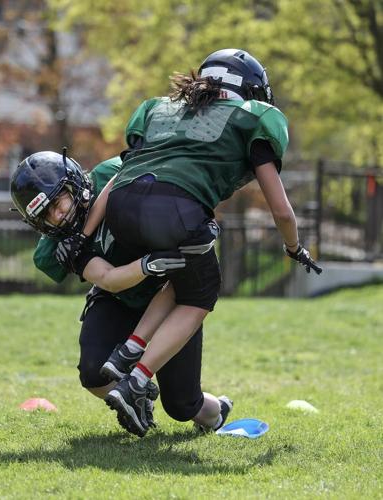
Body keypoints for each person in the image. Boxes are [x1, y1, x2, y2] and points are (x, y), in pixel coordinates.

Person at [76, 48, 322, 435]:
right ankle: (138, 377)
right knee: (201, 293)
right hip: (176, 211)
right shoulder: (253, 117)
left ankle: (129, 351)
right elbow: (282, 211)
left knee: (184, 274)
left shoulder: (159, 108)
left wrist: (85, 234)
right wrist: (294, 247)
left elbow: (119, 175)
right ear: (247, 89)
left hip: (122, 206)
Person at [10, 151, 233, 437]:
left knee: (182, 406)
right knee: (93, 372)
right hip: (118, 297)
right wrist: (146, 265)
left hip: (169, 296)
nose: (57, 214)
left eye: (57, 201)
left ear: (74, 184)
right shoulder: (53, 249)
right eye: (46, 213)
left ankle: (218, 411)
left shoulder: (112, 174)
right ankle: (137, 399)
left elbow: (151, 163)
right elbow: (109, 280)